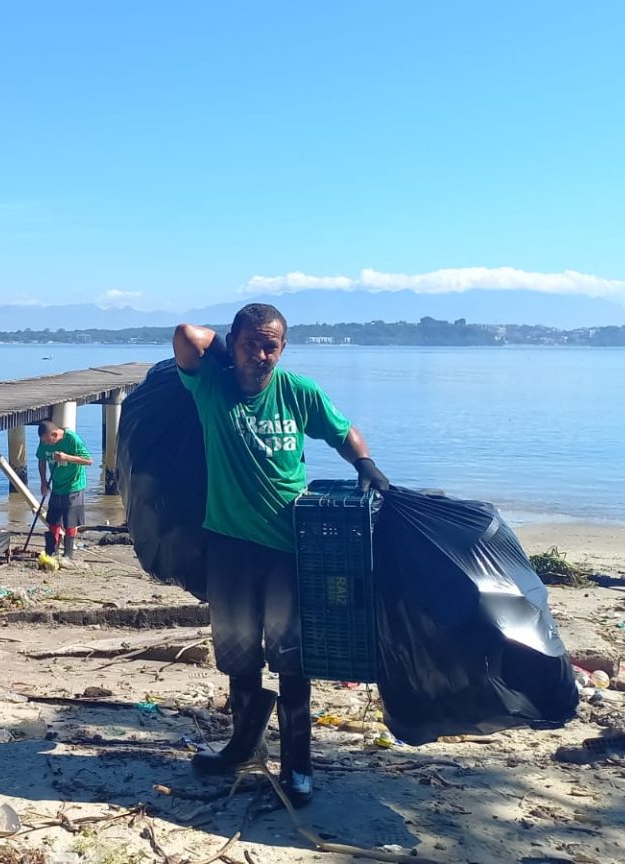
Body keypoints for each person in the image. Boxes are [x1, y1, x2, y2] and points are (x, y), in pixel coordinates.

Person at [172, 304, 389, 807]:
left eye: (272, 346)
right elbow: (186, 335)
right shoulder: (211, 387)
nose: (262, 355)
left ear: (284, 348)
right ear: (233, 342)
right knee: (239, 659)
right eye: (252, 343)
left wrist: (366, 462)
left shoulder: (298, 392)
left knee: (293, 662)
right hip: (227, 546)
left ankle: (299, 768)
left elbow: (343, 431)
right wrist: (229, 354)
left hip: (289, 550)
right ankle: (242, 749)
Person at [35, 420, 92, 561]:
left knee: (70, 521)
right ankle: (52, 551)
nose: (46, 444)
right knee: (53, 519)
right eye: (44, 442)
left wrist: (66, 457)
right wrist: (43, 481)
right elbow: (41, 459)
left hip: (74, 484)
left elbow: (88, 461)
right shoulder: (44, 441)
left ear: (54, 434)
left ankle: (68, 554)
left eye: (48, 441)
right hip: (56, 484)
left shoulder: (72, 439)